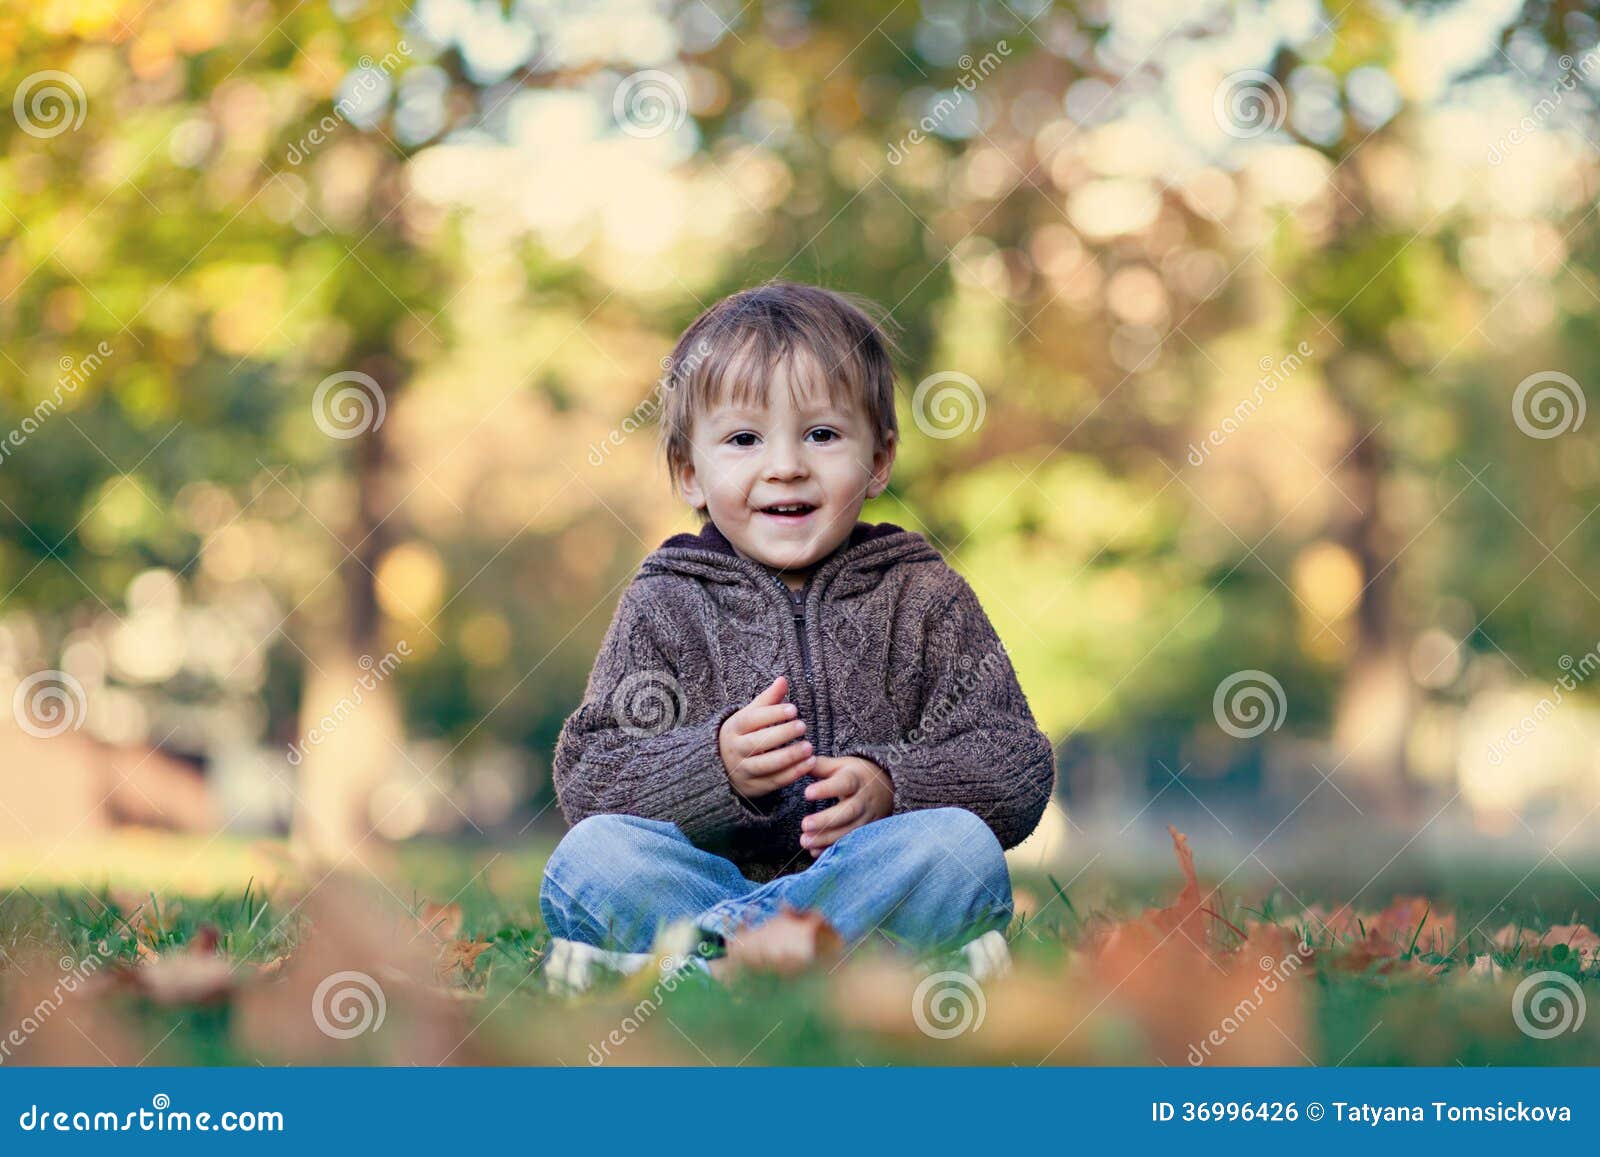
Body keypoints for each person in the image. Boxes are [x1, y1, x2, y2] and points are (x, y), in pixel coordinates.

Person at [541, 280, 1055, 988]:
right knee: (592, 856)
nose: (785, 464)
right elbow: (591, 775)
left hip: (864, 884)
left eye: (822, 433)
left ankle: (705, 964)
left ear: (878, 459)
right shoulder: (667, 600)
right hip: (700, 885)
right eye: (745, 438)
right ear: (690, 472)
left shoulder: (923, 595)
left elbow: (1013, 759)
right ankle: (789, 955)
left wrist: (892, 785)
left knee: (960, 849)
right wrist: (712, 764)